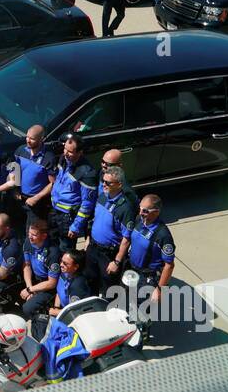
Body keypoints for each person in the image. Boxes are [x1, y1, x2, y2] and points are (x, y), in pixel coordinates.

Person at [118, 194, 176, 337]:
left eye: (145, 211)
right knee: (130, 301)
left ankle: (142, 334)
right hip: (132, 270)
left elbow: (169, 265)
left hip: (147, 277)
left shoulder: (163, 235)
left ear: (156, 211)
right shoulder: (140, 221)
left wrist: (159, 290)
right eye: (140, 209)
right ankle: (131, 326)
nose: (140, 213)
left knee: (143, 309)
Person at [83, 166, 138, 298]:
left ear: (119, 184)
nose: (104, 185)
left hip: (108, 254)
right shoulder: (102, 196)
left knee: (109, 288)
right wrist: (88, 240)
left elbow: (126, 239)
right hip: (93, 247)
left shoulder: (125, 208)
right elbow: (96, 220)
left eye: (108, 183)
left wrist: (117, 262)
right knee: (90, 280)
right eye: (103, 181)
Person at [48, 133, 98, 251]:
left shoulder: (86, 172)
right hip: (55, 211)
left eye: (70, 151)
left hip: (68, 217)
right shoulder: (63, 159)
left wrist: (76, 226)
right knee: (53, 246)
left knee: (66, 250)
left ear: (80, 152)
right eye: (65, 148)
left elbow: (87, 204)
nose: (65, 153)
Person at [11, 124, 56, 231]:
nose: (28, 140)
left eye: (32, 138)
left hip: (35, 203)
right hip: (18, 198)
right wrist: (15, 190)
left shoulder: (48, 157)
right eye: (27, 137)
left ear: (41, 139)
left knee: (31, 231)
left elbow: (53, 183)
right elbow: (14, 171)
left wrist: (36, 198)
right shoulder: (20, 150)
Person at [16, 219, 60, 319]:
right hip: (34, 279)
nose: (30, 237)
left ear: (44, 236)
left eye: (34, 235)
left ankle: (42, 315)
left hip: (48, 286)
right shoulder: (28, 242)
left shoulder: (52, 252)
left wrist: (30, 290)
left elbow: (51, 283)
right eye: (29, 233)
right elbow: (26, 265)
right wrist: (29, 287)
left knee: (28, 308)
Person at [48, 251, 85, 316]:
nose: (61, 265)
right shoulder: (65, 272)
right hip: (61, 309)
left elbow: (75, 311)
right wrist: (56, 307)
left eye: (65, 263)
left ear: (76, 267)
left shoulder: (77, 286)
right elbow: (59, 292)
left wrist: (56, 312)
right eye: (61, 261)